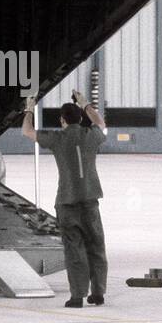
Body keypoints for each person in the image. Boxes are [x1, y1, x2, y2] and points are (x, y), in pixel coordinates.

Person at [22, 92, 109, 307]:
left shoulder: (57, 138)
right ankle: (98, 293)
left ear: (62, 120)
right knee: (96, 246)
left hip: (67, 201)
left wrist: (29, 108)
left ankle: (77, 296)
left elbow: (27, 131)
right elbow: (101, 123)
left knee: (74, 249)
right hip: (90, 200)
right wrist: (85, 103)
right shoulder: (92, 135)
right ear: (80, 119)